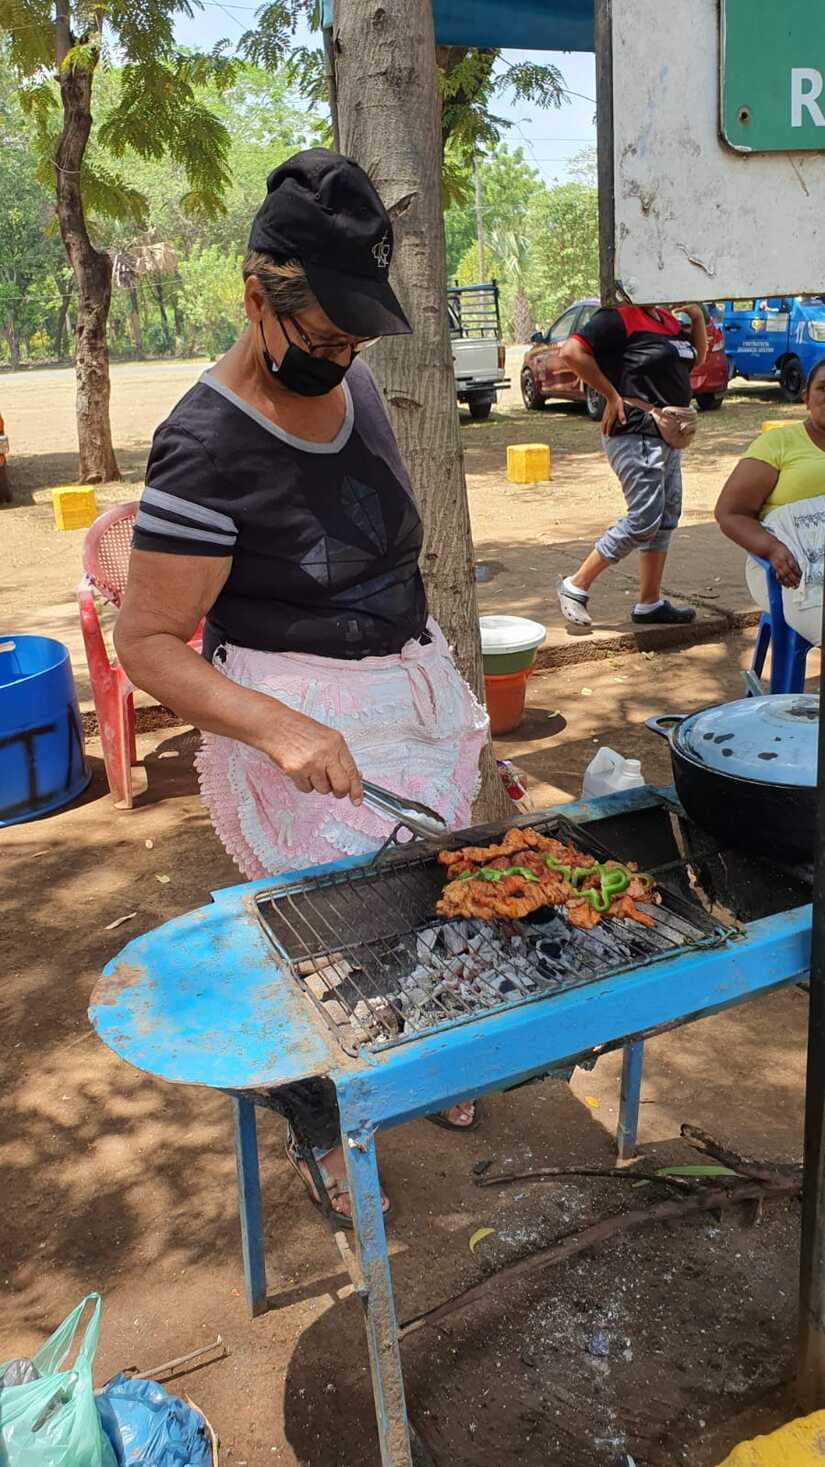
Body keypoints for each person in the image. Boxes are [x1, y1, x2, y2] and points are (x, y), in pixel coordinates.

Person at [114, 149, 489, 1225]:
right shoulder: (202, 447)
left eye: (356, 338)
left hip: (404, 697)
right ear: (253, 296)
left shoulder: (353, 381)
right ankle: (320, 1120)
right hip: (298, 718)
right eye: (321, 338)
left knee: (418, 890)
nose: (341, 358)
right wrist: (277, 725)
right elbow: (148, 642)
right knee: (326, 937)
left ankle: (424, 1051)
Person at [556, 302, 708, 629]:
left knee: (666, 515)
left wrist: (696, 317)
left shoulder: (666, 319)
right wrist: (611, 396)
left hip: (668, 432)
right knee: (644, 518)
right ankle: (575, 585)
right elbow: (570, 353)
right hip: (635, 429)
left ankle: (649, 603)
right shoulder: (618, 316)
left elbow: (696, 358)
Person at [715, 359, 825, 646]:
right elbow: (731, 512)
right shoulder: (779, 443)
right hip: (790, 571)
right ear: (806, 398)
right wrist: (772, 548)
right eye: (823, 388)